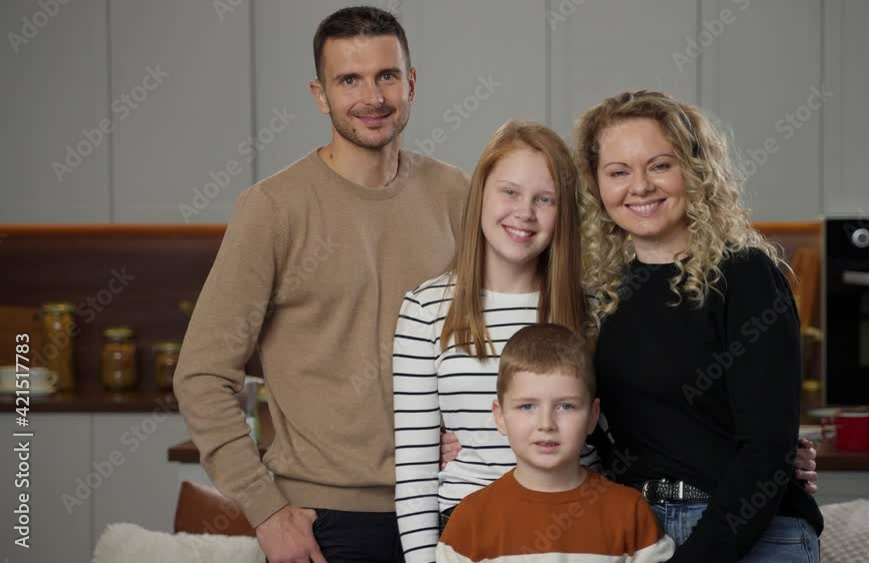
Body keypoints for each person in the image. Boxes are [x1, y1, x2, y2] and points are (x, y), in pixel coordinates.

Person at [173, 7, 469, 562]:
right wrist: (266, 511)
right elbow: (201, 375)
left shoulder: (455, 192)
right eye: (349, 79)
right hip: (329, 522)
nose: (372, 97)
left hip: (449, 503)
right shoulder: (272, 209)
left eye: (386, 75)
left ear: (411, 82)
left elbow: (496, 342)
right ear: (319, 94)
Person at [575, 90, 823, 562]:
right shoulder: (603, 292)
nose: (640, 186)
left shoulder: (746, 276)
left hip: (751, 531)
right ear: (596, 185)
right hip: (639, 527)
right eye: (619, 171)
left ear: (695, 170)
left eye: (660, 165)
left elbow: (766, 449)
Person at [392, 120, 602, 563]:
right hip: (471, 532)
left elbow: (619, 432)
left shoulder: (594, 309)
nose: (524, 212)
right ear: (481, 195)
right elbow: (413, 473)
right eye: (509, 192)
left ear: (562, 213)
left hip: (581, 529)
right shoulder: (426, 310)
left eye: (544, 199)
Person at [435, 324, 676, 563]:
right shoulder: (470, 520)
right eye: (527, 406)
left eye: (565, 406)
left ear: (593, 415)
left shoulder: (630, 513)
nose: (546, 424)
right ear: (500, 416)